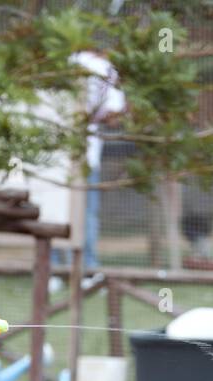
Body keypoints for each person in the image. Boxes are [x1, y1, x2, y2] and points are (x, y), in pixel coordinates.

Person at [50, 49, 125, 292]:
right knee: (83, 215)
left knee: (56, 211)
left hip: (62, 154)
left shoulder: (61, 60)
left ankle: (63, 271)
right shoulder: (103, 68)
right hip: (74, 156)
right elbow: (114, 115)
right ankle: (84, 271)